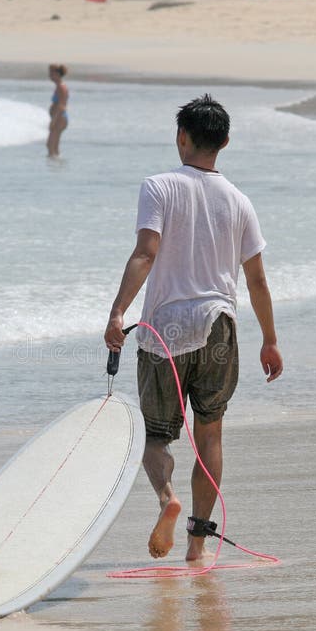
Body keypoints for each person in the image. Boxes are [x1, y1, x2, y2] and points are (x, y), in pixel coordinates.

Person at [104, 94, 283, 562]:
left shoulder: (159, 187)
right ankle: (197, 546)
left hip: (166, 329)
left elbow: (145, 253)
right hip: (219, 326)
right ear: (225, 142)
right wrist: (270, 340)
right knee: (210, 435)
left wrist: (118, 312)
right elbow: (257, 279)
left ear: (181, 137)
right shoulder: (240, 201)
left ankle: (168, 500)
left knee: (155, 435)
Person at [47, 63, 69, 157]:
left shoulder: (61, 87)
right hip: (58, 118)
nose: (49, 76)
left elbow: (61, 106)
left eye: (51, 73)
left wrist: (53, 120)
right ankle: (55, 164)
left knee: (51, 145)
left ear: (57, 74)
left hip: (60, 118)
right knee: (53, 146)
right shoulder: (58, 86)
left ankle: (54, 164)